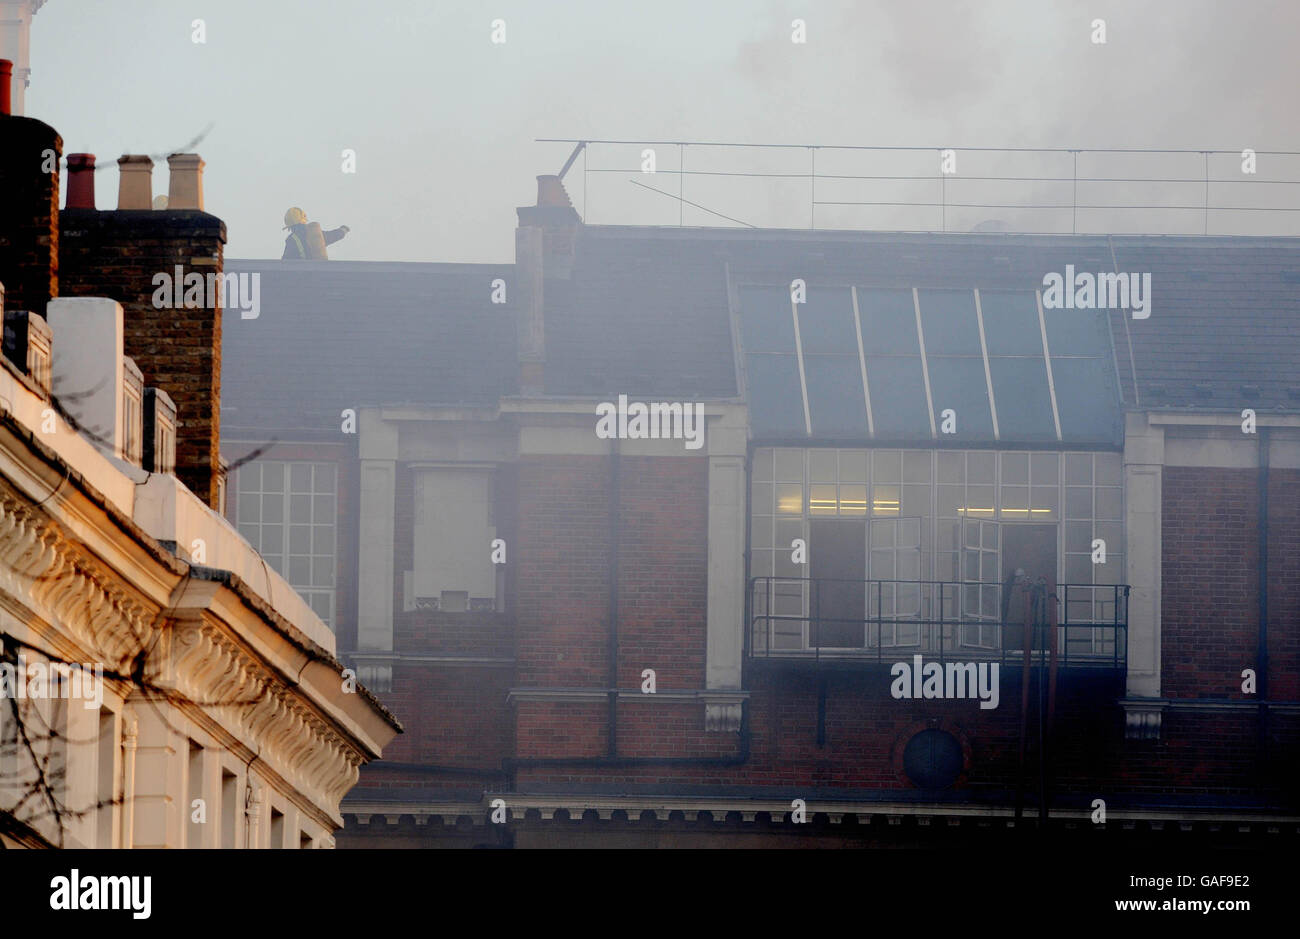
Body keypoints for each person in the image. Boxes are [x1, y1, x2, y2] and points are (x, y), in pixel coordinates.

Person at [281, 207, 349, 259]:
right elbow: (332, 236)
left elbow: (285, 261)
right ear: (303, 218)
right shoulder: (314, 232)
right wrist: (343, 230)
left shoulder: (291, 239)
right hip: (318, 272)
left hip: (301, 274)